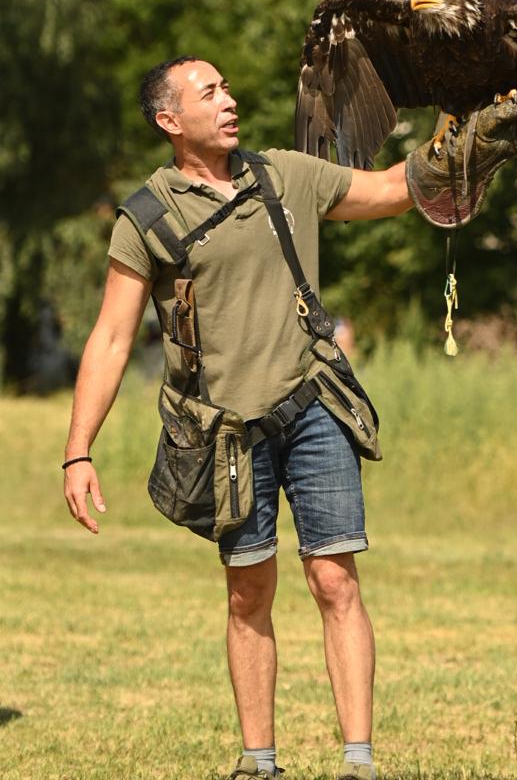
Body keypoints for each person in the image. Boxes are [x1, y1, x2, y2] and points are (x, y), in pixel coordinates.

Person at [63, 56, 414, 780]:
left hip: (312, 403)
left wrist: (462, 140)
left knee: (335, 578)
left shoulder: (282, 173)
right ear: (170, 120)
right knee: (247, 589)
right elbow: (110, 337)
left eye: (226, 88)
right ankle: (259, 762)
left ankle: (359, 762)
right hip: (223, 428)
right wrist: (78, 450)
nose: (229, 101)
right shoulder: (148, 216)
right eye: (209, 93)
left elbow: (388, 190)